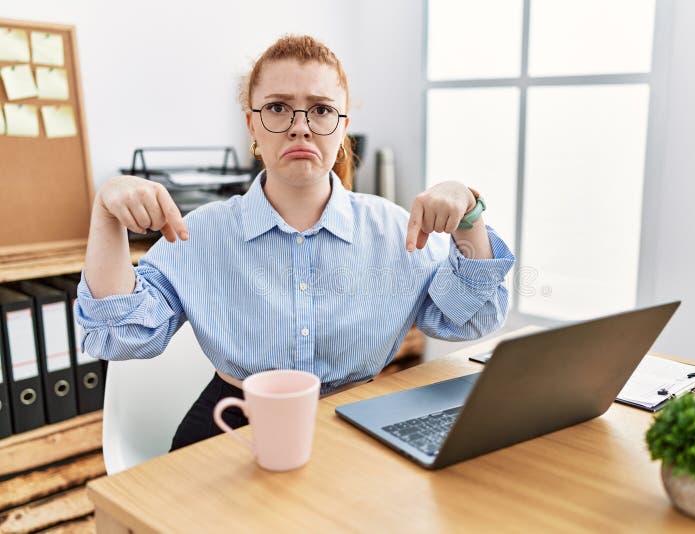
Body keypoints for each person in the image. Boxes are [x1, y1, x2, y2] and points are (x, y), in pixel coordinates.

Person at [76, 35, 515, 451]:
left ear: (343, 127)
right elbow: (118, 335)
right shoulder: (199, 234)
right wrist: (105, 214)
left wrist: (469, 218)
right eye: (278, 107)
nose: (300, 127)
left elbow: (470, 321)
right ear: (252, 124)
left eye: (322, 110)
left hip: (353, 423)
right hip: (228, 427)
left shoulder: (394, 230)